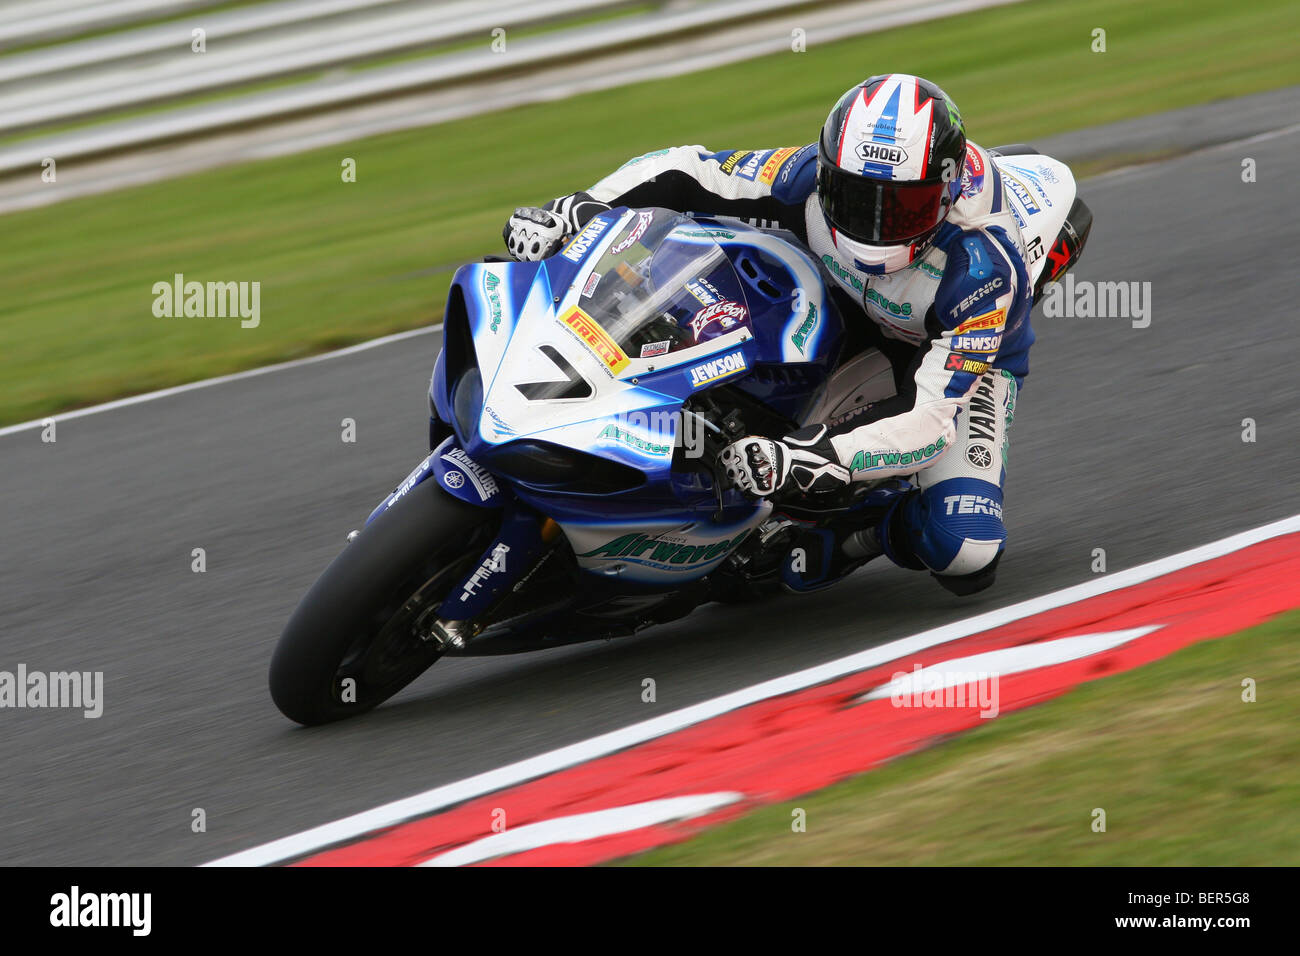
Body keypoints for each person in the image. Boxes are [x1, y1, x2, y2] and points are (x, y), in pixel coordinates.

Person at [502, 73, 1032, 596]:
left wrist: (816, 457)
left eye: (901, 208)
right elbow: (689, 169)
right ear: (828, 174)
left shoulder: (981, 268)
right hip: (833, 296)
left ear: (944, 195)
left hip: (946, 358)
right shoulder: (803, 175)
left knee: (963, 548)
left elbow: (929, 419)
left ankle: (859, 529)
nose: (873, 225)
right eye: (854, 198)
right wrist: (576, 211)